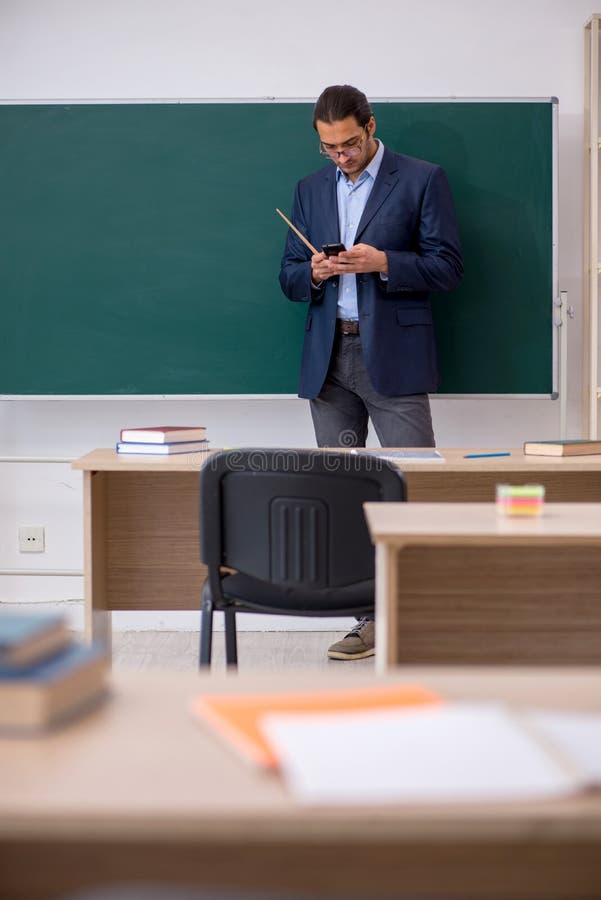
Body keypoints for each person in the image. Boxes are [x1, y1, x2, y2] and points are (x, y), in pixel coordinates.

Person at [279, 84, 463, 660]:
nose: (342, 157)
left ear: (370, 126)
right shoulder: (310, 189)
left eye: (350, 143)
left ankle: (422, 615)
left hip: (394, 359)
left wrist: (384, 262)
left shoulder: (421, 177)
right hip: (329, 360)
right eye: (330, 148)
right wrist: (312, 272)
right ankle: (370, 619)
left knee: (412, 487)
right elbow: (286, 278)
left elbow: (448, 267)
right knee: (344, 496)